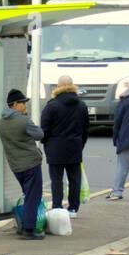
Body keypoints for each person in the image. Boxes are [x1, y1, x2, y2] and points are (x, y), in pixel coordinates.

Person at [0, 88, 46, 240]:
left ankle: (23, 225)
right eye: (23, 103)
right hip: (31, 163)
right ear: (15, 104)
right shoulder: (24, 120)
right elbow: (40, 135)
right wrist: (27, 120)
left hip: (15, 165)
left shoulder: (1, 123)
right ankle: (28, 229)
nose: (25, 106)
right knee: (33, 196)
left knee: (27, 194)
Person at [41, 74, 90, 217]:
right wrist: (80, 144)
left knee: (56, 180)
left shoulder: (52, 106)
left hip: (55, 147)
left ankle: (57, 206)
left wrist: (46, 143)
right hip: (74, 146)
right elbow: (86, 129)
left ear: (58, 87)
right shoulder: (81, 105)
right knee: (74, 179)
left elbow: (44, 128)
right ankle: (73, 208)